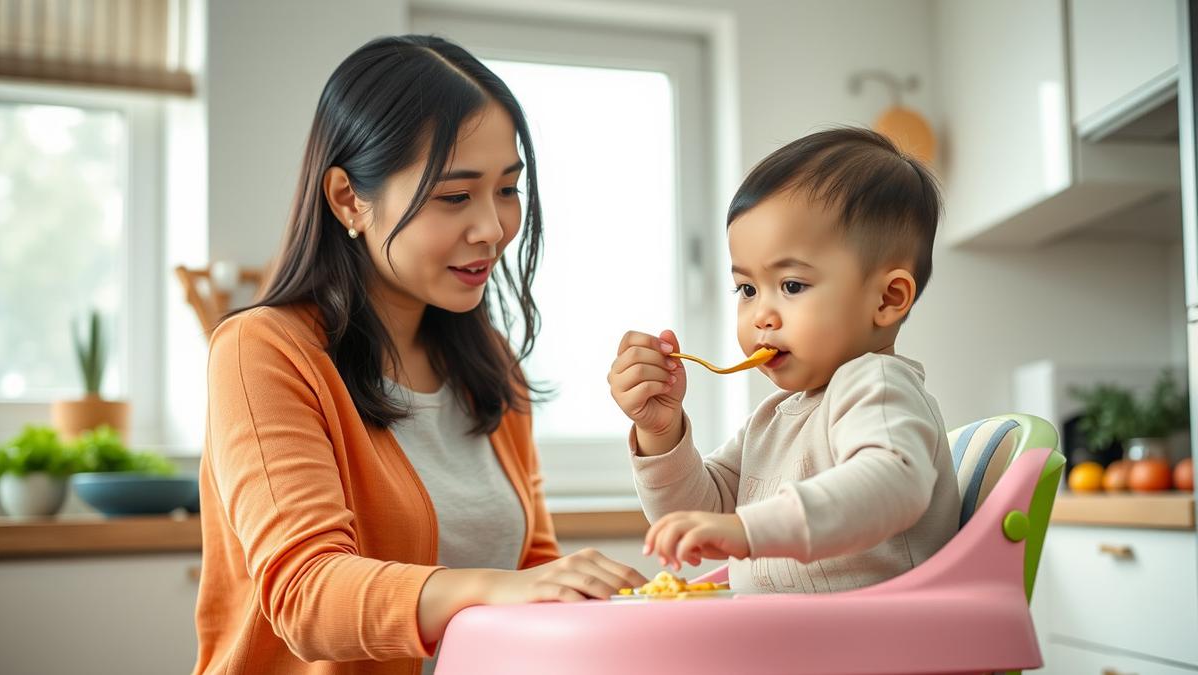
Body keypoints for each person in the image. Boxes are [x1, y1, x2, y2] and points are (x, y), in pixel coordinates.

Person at [194, 35, 646, 675]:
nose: (492, 228)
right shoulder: (262, 351)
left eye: (508, 189)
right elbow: (305, 596)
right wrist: (494, 588)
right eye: (455, 196)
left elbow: (531, 566)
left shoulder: (490, 365)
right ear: (350, 198)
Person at [608, 127, 961, 594]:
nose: (761, 315)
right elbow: (700, 518)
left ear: (888, 298)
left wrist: (749, 530)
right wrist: (661, 431)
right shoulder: (775, 417)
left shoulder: (876, 385)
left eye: (791, 285)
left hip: (881, 651)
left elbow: (893, 484)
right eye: (747, 289)